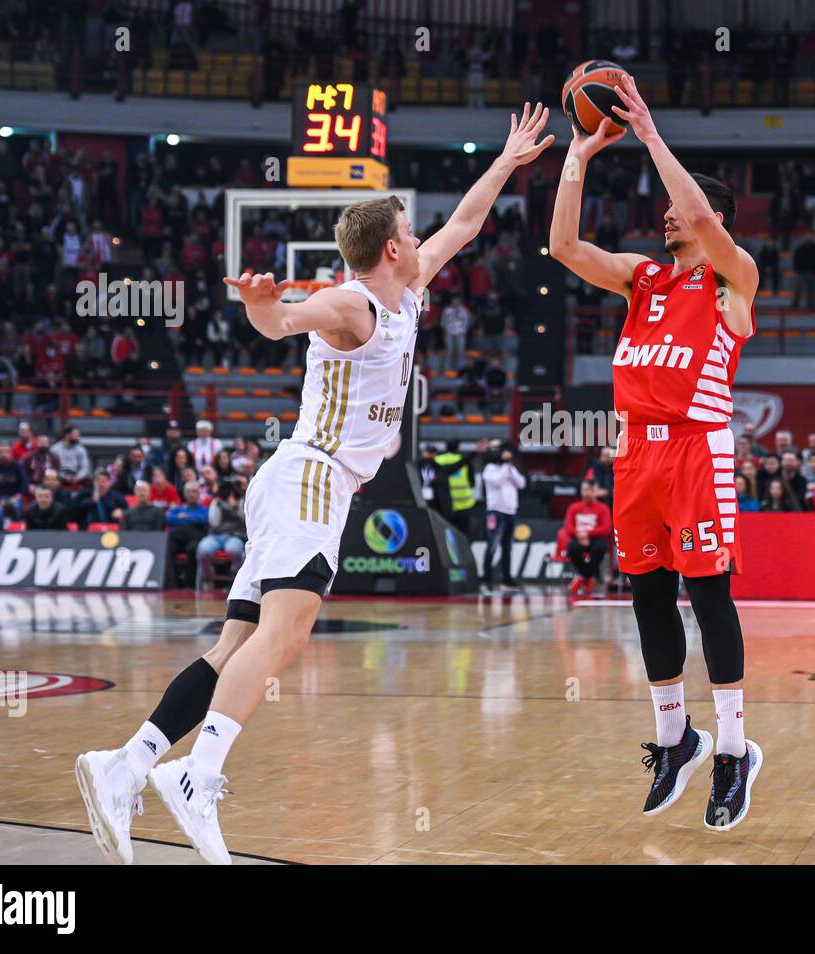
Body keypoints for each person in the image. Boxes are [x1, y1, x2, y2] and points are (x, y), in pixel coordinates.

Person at [74, 102, 554, 865]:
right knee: (285, 633)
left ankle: (126, 764)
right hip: (311, 477)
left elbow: (465, 223)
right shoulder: (353, 303)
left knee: (235, 647)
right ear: (393, 246)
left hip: (297, 481)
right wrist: (264, 307)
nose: (423, 237)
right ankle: (195, 777)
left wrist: (507, 160)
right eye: (410, 229)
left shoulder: (409, 287)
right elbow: (287, 320)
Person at [551, 75, 762, 830]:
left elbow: (701, 212)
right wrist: (577, 155)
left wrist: (647, 134)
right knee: (646, 596)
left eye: (679, 208)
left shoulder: (735, 280)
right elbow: (564, 246)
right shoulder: (643, 280)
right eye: (666, 208)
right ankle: (677, 740)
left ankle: (735, 751)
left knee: (709, 597)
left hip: (697, 454)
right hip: (635, 456)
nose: (666, 212)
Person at [480, 444, 526, 592]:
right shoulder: (490, 469)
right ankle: (487, 580)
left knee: (507, 547)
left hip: (510, 511)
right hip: (495, 512)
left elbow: (521, 484)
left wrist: (510, 469)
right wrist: (506, 467)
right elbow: (498, 481)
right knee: (492, 545)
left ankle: (507, 579)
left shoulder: (511, 469)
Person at [196, 481, 247, 590]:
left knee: (234, 550)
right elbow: (214, 522)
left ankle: (238, 578)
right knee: (203, 549)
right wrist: (216, 503)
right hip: (216, 535)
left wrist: (235, 507)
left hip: (235, 535)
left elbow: (246, 520)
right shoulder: (216, 501)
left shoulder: (242, 501)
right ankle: (207, 577)